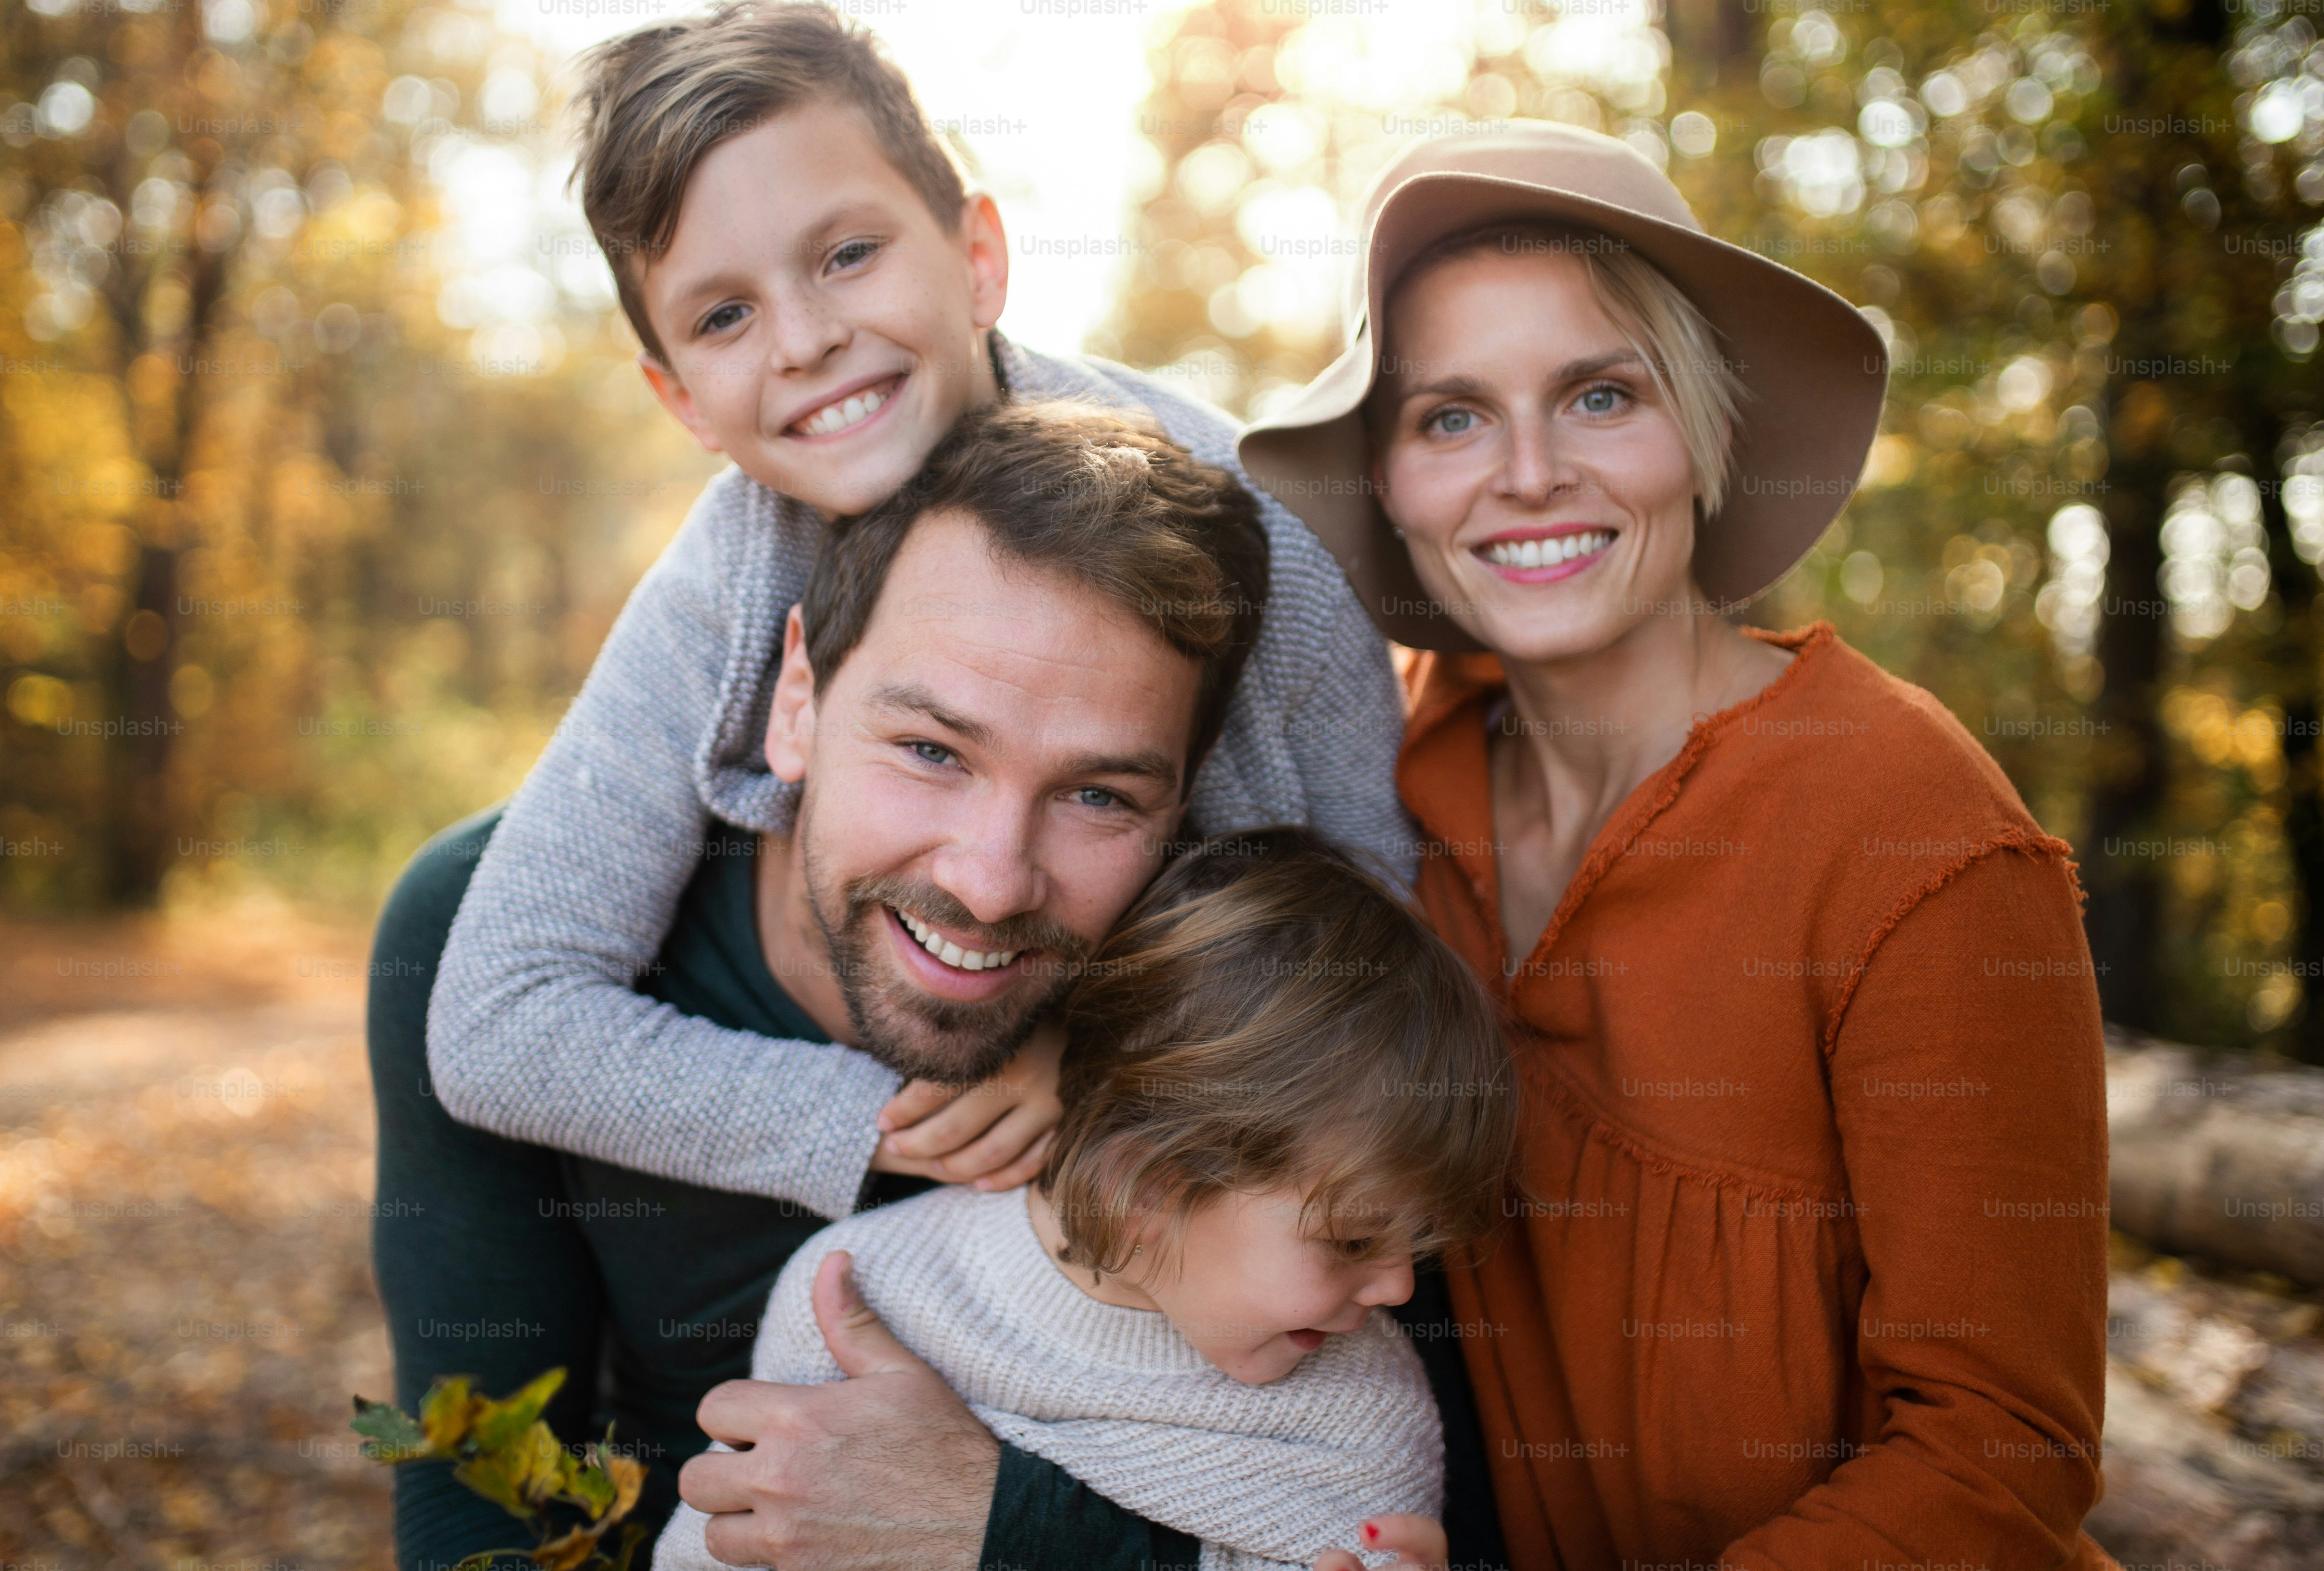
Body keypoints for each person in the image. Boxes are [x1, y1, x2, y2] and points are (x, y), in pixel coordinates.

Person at [369, 403, 1505, 1569]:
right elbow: (479, 1508)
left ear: (1183, 809)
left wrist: (1009, 1528)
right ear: (798, 698)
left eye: (1100, 797)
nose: (992, 881)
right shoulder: (491, 937)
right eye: (930, 752)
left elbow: (1433, 1520)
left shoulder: (1240, 1039)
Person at [1238, 121, 2115, 1568]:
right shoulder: (1393, 772)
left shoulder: (1912, 835)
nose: (1526, 474)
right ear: (1388, 482)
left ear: (1702, 437)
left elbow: (1999, 1455)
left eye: (1597, 395)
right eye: (1449, 416)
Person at [419, 0, 1412, 1227]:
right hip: (891, 1121)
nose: (807, 339)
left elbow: (1375, 937)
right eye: (725, 315)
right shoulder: (725, 582)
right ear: (680, 400)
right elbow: (498, 1017)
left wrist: (1100, 1064)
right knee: (438, 888)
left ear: (978, 257)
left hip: (1209, 1174)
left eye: (847, 255)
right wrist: (881, 1121)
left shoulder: (1258, 538)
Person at [656, 827, 1518, 1571]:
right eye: (1353, 1241)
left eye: (1419, 1243)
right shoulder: (869, 1293)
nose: (1400, 1291)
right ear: (1144, 1186)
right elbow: (742, 1535)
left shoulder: (1363, 1411)